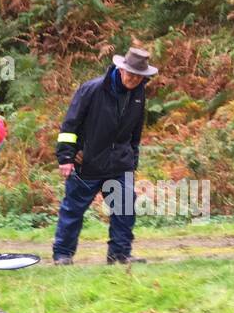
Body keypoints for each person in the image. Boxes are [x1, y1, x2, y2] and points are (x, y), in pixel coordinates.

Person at [52, 46, 157, 265]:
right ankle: (62, 255)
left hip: (119, 163)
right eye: (131, 74)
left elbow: (135, 132)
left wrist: (132, 161)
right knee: (73, 210)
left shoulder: (139, 95)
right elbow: (70, 124)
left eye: (139, 76)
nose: (134, 80)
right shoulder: (92, 89)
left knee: (125, 208)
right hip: (86, 162)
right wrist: (66, 158)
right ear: (120, 69)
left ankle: (119, 255)